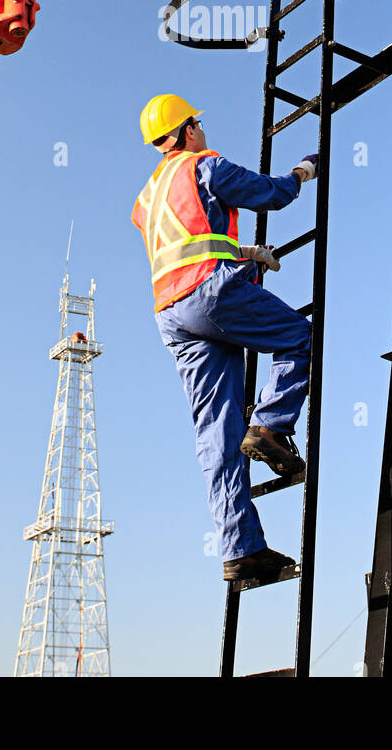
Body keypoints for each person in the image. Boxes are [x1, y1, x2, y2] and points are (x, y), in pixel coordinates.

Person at [131, 92, 318, 583]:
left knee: (216, 432)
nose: (204, 133)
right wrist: (302, 171)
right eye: (199, 125)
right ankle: (273, 426)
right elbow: (271, 194)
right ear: (188, 129)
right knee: (300, 338)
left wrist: (248, 254)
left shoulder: (148, 197)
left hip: (171, 314)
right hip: (208, 296)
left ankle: (241, 550)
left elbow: (192, 240)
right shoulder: (202, 165)